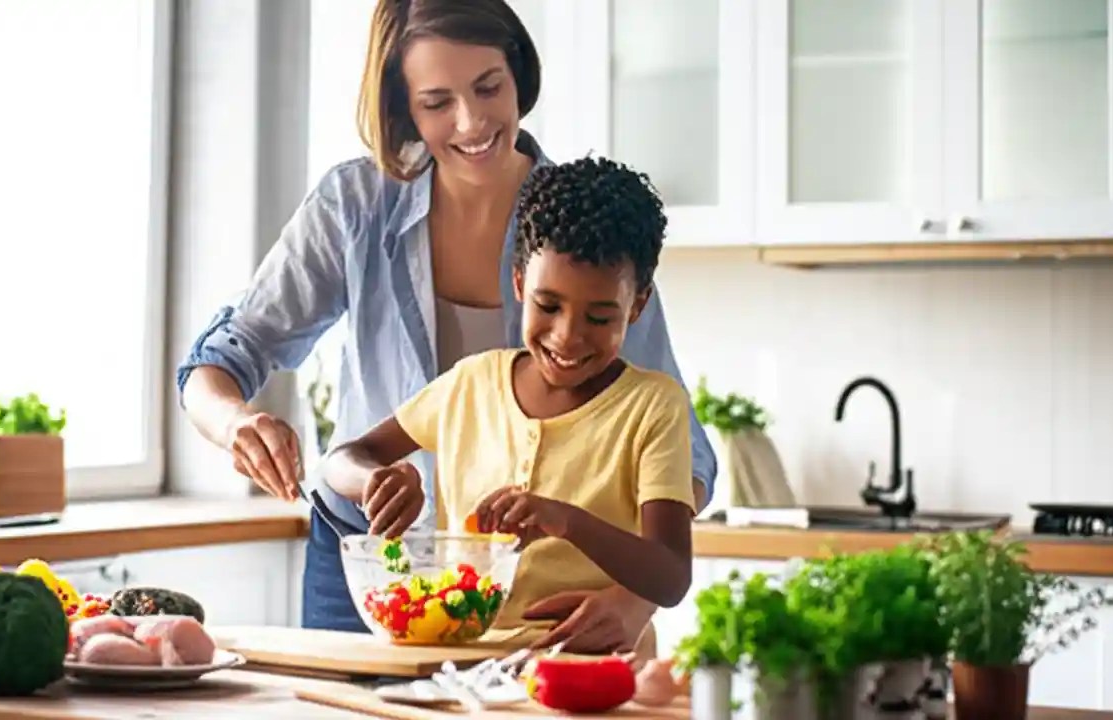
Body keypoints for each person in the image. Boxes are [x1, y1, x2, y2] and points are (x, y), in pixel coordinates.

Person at [175, 0, 716, 653]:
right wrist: (239, 424)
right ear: (405, 107)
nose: (471, 121)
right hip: (371, 560)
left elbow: (682, 452)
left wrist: (633, 598)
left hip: (523, 586)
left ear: (518, 72)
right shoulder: (357, 205)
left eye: (488, 87)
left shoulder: (581, 233)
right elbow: (225, 358)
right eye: (436, 102)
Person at [324, 157, 695, 637]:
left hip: (592, 674)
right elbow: (346, 458)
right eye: (548, 305)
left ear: (638, 305)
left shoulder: (652, 407)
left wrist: (565, 521)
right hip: (464, 666)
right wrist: (377, 479)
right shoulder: (470, 384)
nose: (567, 336)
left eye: (600, 318)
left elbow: (670, 577)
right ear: (519, 282)